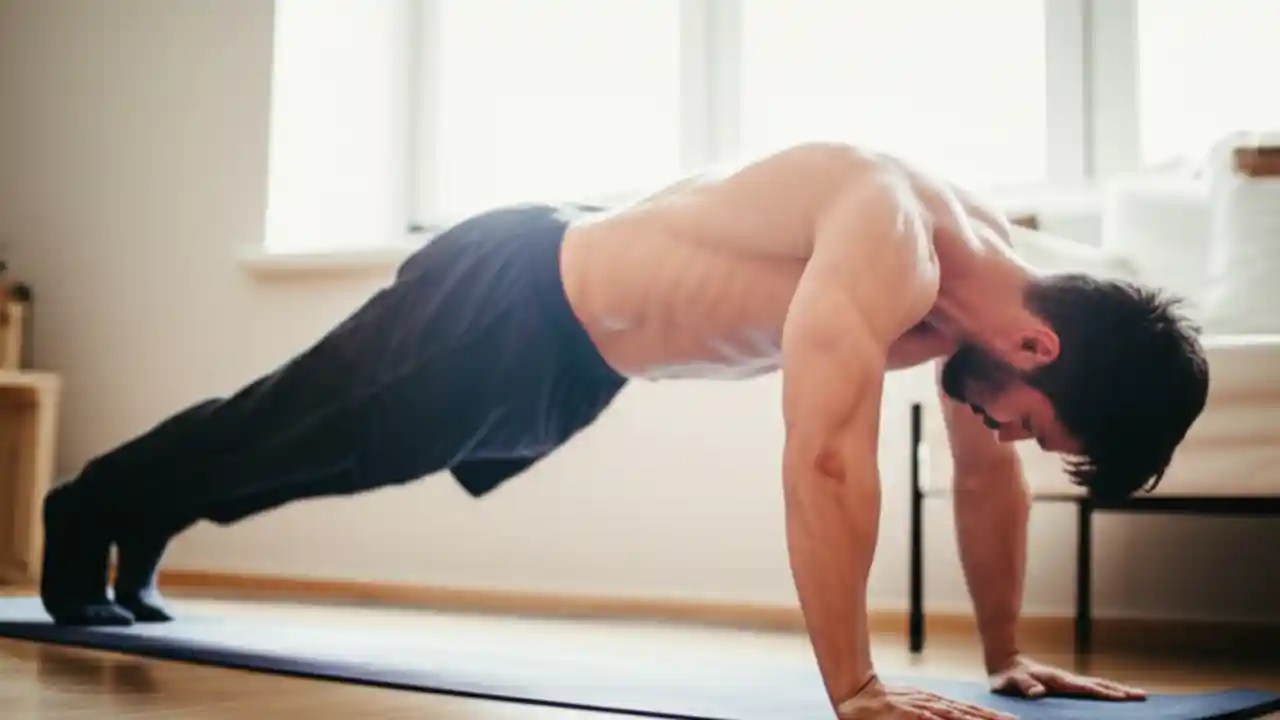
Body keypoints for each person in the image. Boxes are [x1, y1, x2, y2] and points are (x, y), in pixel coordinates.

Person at [41, 143, 1208, 720]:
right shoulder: (892, 236)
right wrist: (852, 688)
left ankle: (144, 520)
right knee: (294, 429)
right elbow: (822, 457)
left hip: (574, 359)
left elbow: (981, 481)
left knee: (332, 459)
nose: (1004, 437)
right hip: (513, 296)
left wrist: (1002, 656)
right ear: (1036, 348)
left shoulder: (983, 305)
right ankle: (87, 508)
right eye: (1031, 426)